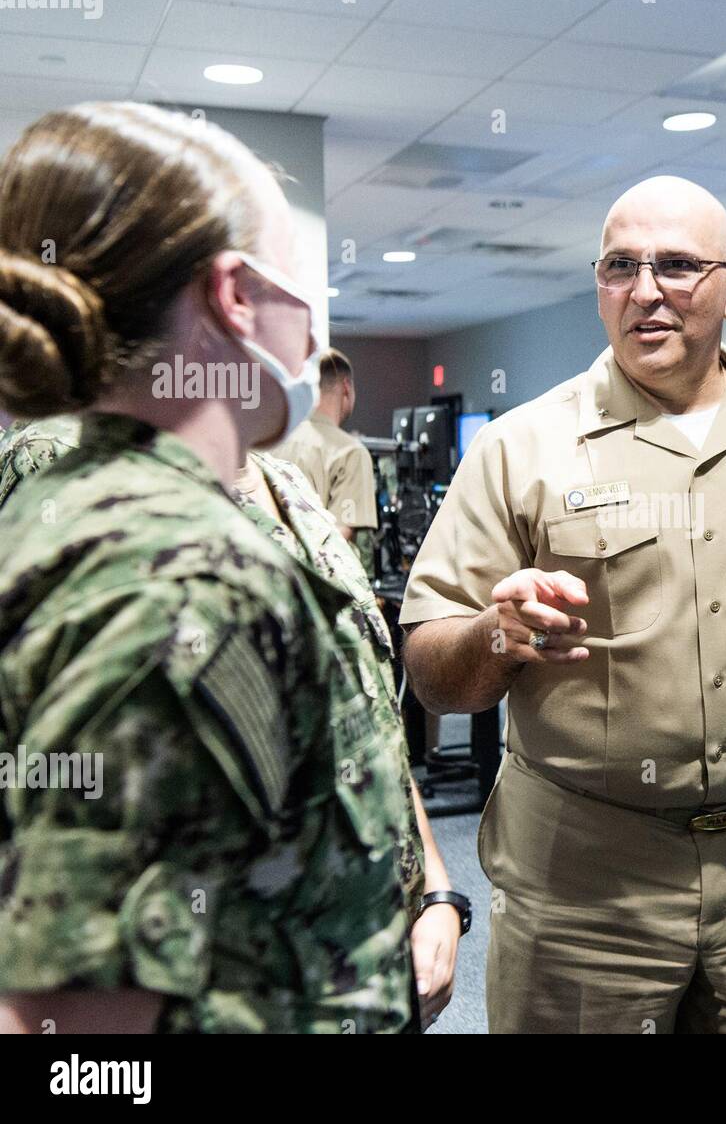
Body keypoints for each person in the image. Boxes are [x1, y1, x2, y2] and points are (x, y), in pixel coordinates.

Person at [400, 175, 726, 1034]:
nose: (645, 290)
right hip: (587, 894)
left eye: (676, 265)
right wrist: (495, 635)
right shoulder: (525, 447)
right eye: (620, 266)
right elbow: (434, 674)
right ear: (598, 286)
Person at [0, 102, 413, 1033]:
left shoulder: (80, 500)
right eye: (303, 278)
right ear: (236, 296)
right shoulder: (187, 575)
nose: (315, 318)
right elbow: (77, 1033)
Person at [0, 415, 464, 1024]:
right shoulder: (60, 457)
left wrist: (436, 891)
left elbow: (360, 714)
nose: (303, 324)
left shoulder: (286, 482)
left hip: (361, 969)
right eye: (291, 309)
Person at [276, 347, 379, 571]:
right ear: (346, 387)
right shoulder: (351, 452)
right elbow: (341, 535)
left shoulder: (274, 441)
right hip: (323, 582)